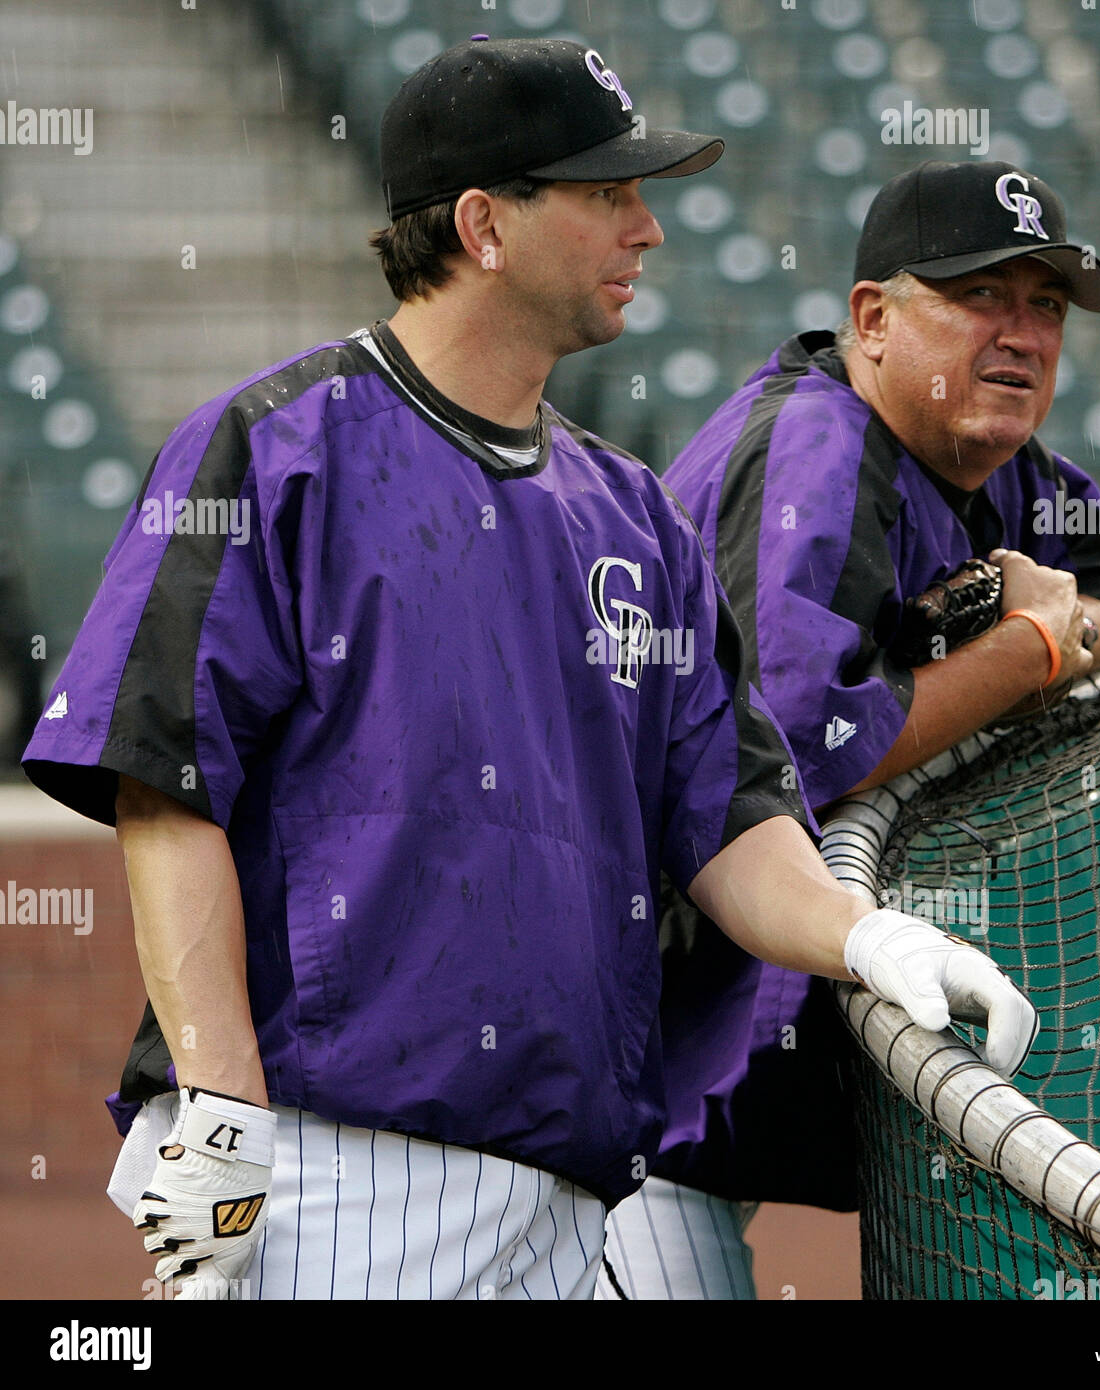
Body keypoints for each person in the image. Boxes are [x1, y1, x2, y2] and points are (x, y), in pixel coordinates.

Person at [21, 52, 1037, 1302]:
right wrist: (223, 1103)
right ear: (483, 224)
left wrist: (863, 936)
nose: (646, 226)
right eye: (606, 192)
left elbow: (723, 817)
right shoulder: (277, 445)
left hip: (570, 1193)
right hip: (333, 1167)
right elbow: (164, 789)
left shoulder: (634, 516)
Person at [601, 159, 1100, 1299]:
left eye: (1043, 305)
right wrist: (1027, 652)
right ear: (870, 320)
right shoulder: (820, 445)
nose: (1019, 335)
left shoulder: (984, 463)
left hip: (702, 1032)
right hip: (597, 1073)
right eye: (977, 297)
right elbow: (789, 751)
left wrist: (1060, 628)